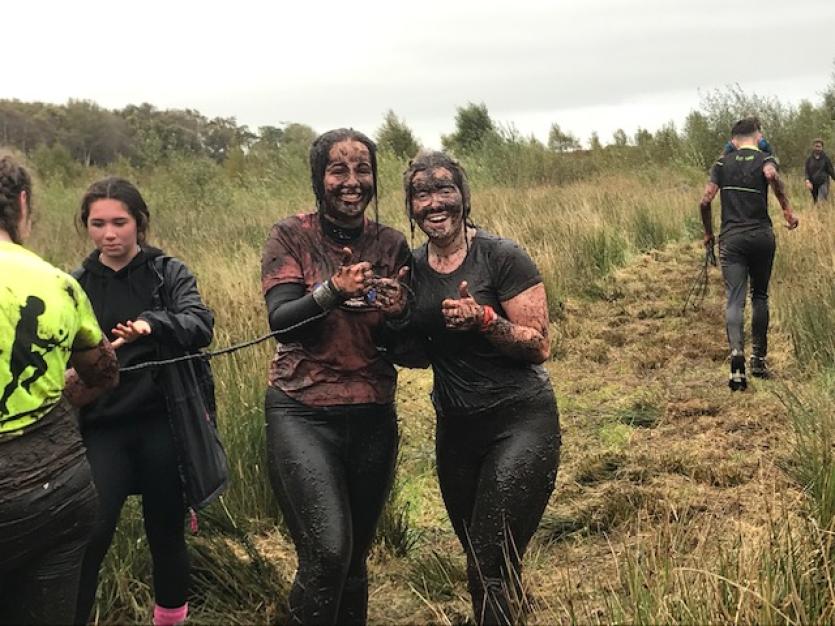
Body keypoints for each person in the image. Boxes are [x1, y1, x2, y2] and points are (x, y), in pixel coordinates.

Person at [401, 151, 561, 625]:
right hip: (456, 431)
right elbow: (416, 354)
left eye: (444, 189)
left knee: (486, 566)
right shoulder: (412, 268)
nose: (434, 203)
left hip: (520, 422)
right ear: (409, 205)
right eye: (421, 193)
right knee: (485, 556)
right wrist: (392, 317)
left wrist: (486, 320)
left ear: (463, 196)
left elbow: (539, 346)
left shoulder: (501, 256)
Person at [261, 128, 411, 625]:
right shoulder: (291, 235)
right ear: (318, 177)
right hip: (302, 411)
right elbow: (281, 320)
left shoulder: (391, 243)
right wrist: (331, 290)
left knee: (353, 560)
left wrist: (399, 313)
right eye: (338, 170)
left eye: (362, 169)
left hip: (372, 413)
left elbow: (407, 350)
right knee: (326, 552)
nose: (352, 181)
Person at [72, 177, 214, 626]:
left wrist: (153, 325)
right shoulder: (73, 285)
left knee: (165, 534)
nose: (109, 234)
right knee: (91, 536)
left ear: (140, 223)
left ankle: (170, 621)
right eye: (98, 224)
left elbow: (199, 323)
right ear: (87, 227)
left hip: (162, 422)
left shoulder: (167, 272)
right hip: (102, 427)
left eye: (120, 222)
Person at [0, 155, 118, 625]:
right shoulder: (58, 283)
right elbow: (103, 373)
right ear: (23, 203)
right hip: (56, 494)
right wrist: (54, 394)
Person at [699, 117, 799, 390]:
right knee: (760, 295)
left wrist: (708, 234)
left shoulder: (721, 163)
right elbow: (771, 176)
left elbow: (705, 200)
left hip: (731, 239)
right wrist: (787, 209)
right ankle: (759, 360)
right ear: (758, 136)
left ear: (733, 140)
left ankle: (737, 360)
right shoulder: (767, 157)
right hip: (761, 237)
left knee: (734, 299)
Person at [804, 138, 835, 203]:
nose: (818, 148)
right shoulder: (809, 159)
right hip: (813, 184)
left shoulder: (826, 159)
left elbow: (831, 171)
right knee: (815, 202)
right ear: (813, 147)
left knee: (821, 201)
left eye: (819, 147)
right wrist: (807, 181)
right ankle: (821, 212)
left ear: (822, 148)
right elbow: (806, 171)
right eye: (816, 146)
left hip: (823, 183)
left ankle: (822, 210)